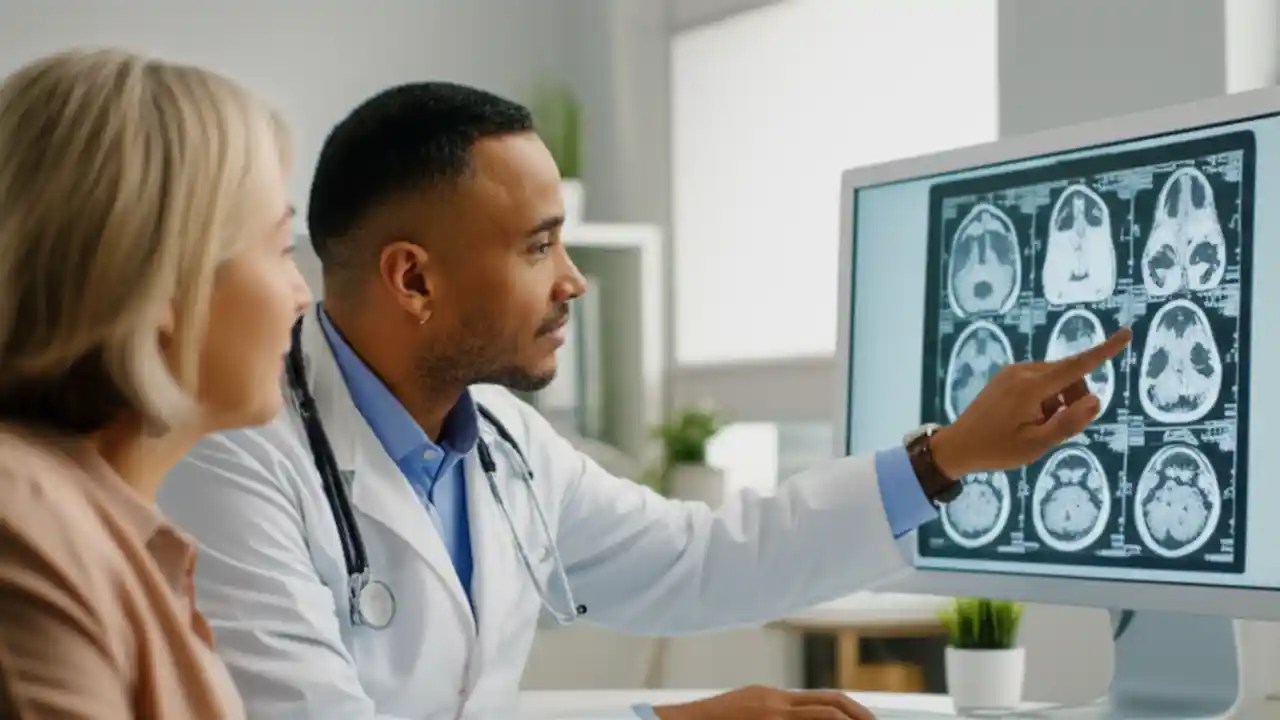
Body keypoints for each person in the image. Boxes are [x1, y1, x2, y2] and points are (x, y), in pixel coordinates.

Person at [158, 81, 1130, 720]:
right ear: (413, 281)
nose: (572, 281)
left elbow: (698, 561)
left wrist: (945, 458)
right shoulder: (231, 456)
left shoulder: (499, 442)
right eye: (538, 246)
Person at [0, 48, 311, 717]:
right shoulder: (25, 529)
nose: (301, 295)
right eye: (282, 250)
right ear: (166, 281)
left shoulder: (115, 534)